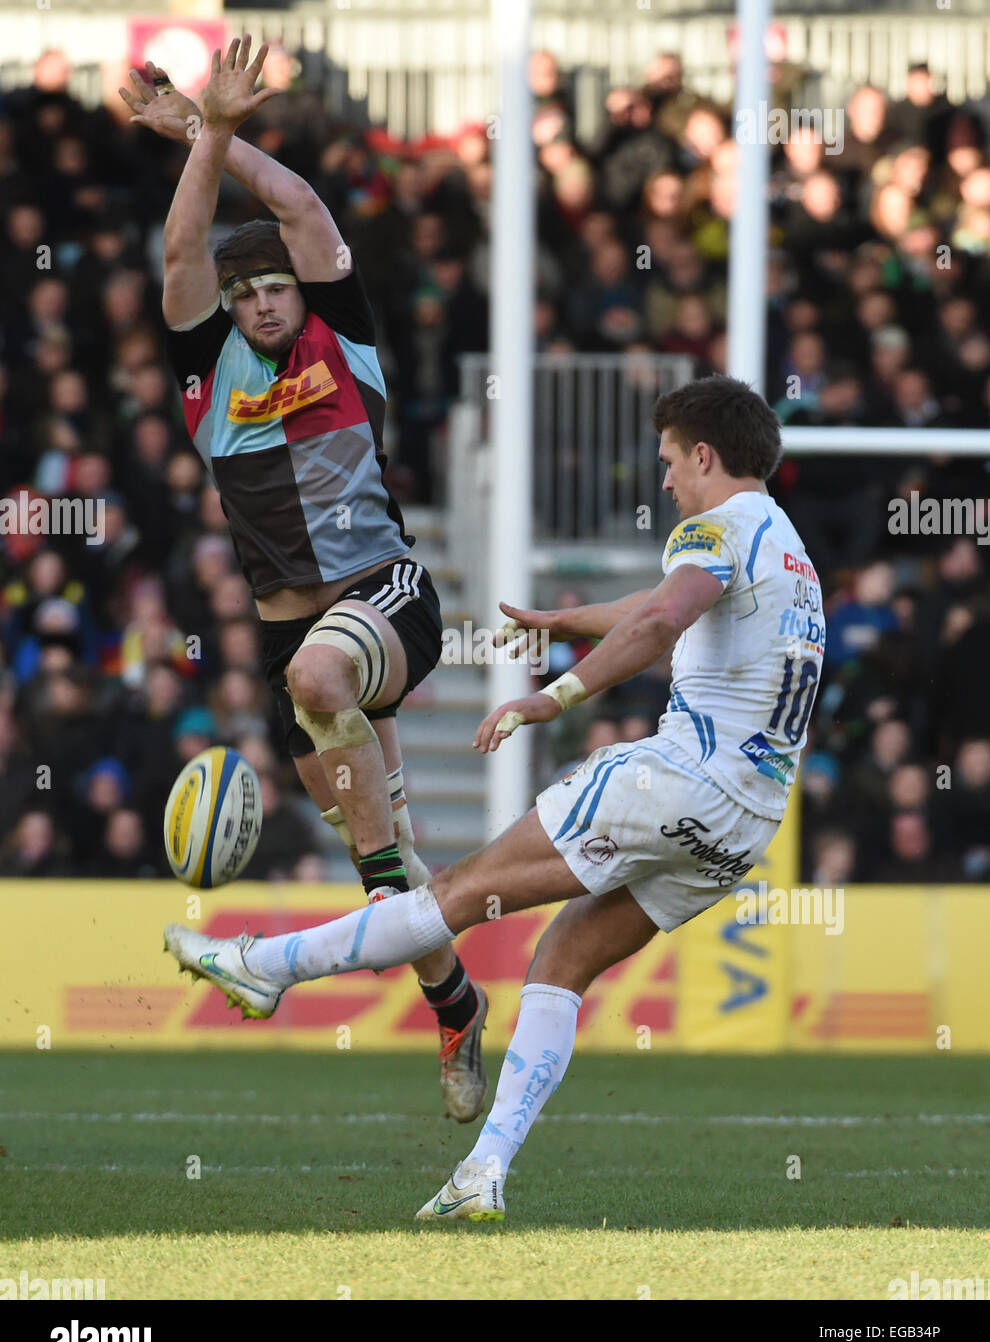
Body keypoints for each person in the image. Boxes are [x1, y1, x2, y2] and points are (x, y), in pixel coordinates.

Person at [166, 377, 824, 1221]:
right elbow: (662, 606)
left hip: (678, 778)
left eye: (668, 462)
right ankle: (484, 1171)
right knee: (562, 961)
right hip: (746, 820)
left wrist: (557, 694)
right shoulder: (786, 548)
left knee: (459, 893)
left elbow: (663, 620)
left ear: (705, 455)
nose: (664, 481)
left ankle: (265, 968)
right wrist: (567, 618)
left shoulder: (714, 525)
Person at [125, 38, 486, 1121]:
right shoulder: (212, 372)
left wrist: (211, 127)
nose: (266, 304)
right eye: (250, 295)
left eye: (278, 284)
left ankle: (325, 952)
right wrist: (199, 139)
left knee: (324, 682)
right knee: (392, 872)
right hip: (290, 636)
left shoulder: (348, 337)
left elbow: (303, 202)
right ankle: (460, 1007)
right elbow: (183, 249)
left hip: (383, 599)